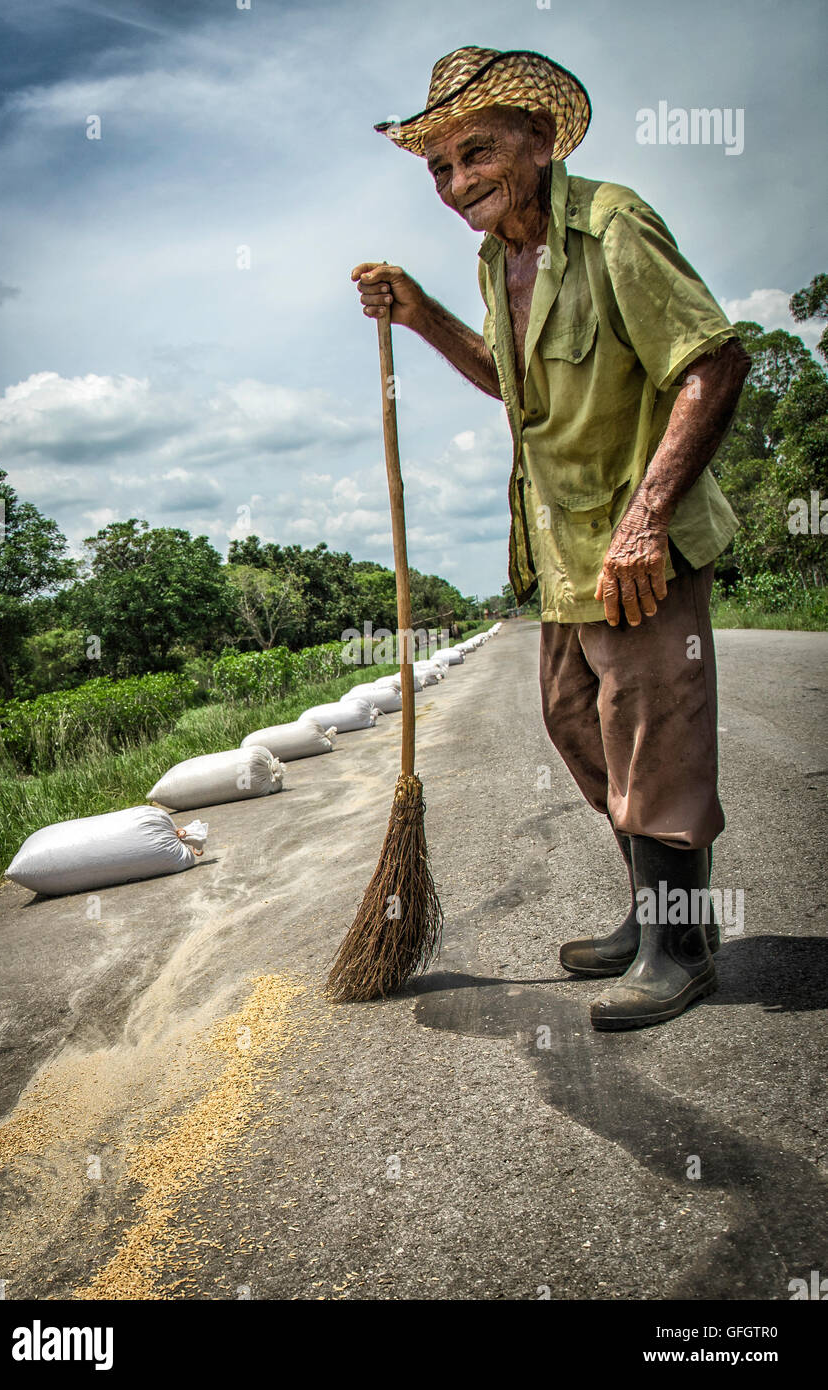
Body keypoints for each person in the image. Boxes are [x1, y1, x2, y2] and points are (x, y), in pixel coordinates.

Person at [353, 47, 751, 1031]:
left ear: (536, 141)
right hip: (560, 548)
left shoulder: (611, 228)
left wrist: (648, 515)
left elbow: (712, 362)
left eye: (473, 152)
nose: (455, 183)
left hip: (635, 537)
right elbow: (506, 378)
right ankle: (649, 913)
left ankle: (681, 946)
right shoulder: (497, 261)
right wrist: (418, 313)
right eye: (438, 168)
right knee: (579, 726)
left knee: (651, 734)